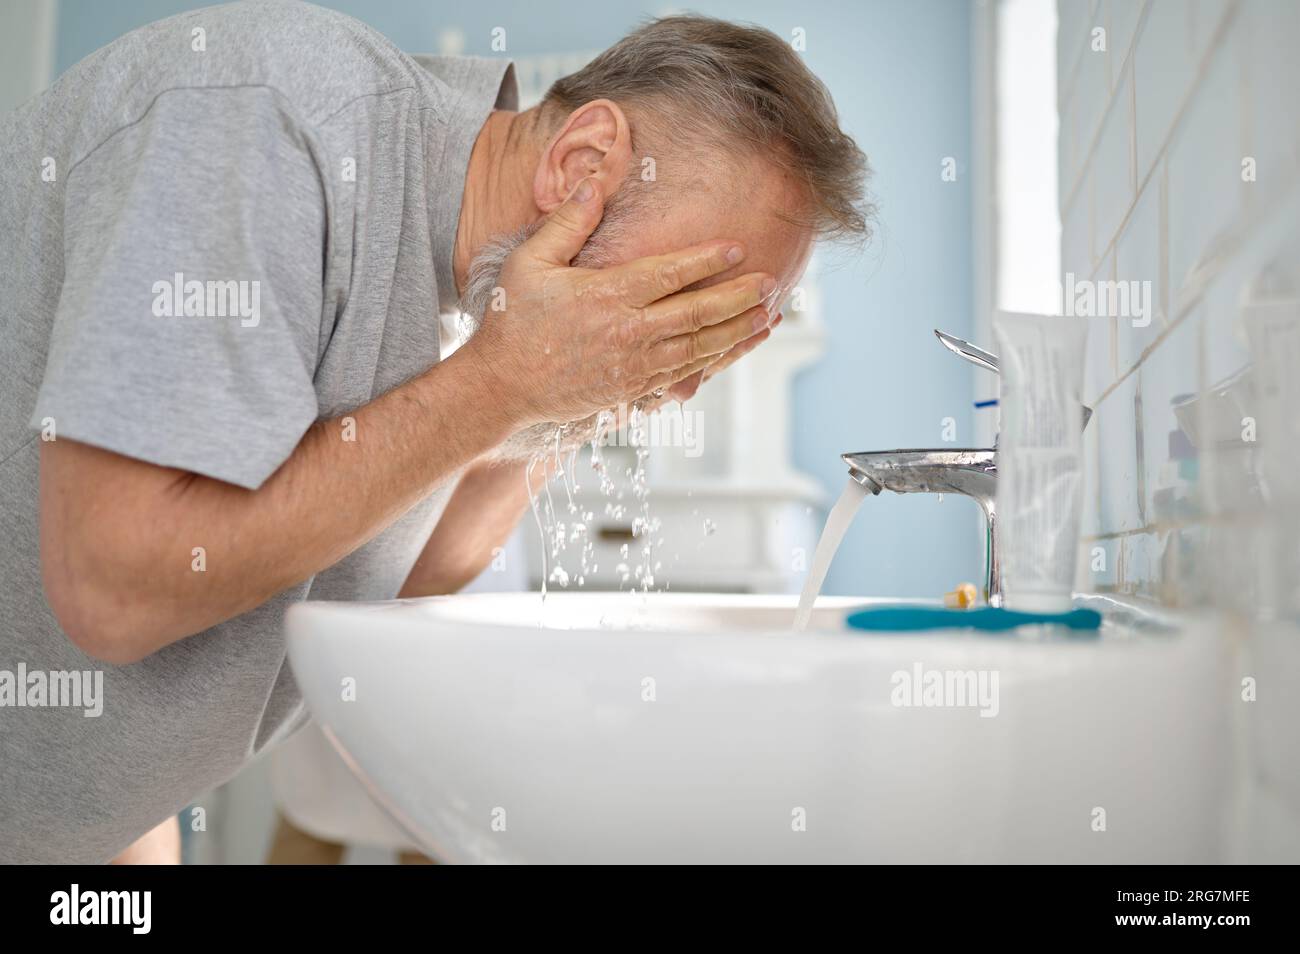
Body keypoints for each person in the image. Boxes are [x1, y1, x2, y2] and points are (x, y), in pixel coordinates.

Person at [0, 1, 870, 863]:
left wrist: (551, 399)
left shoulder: (466, 285)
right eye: (679, 308)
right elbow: (115, 589)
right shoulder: (263, 120)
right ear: (583, 164)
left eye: (718, 337)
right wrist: (504, 382)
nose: (679, 378)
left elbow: (387, 585)